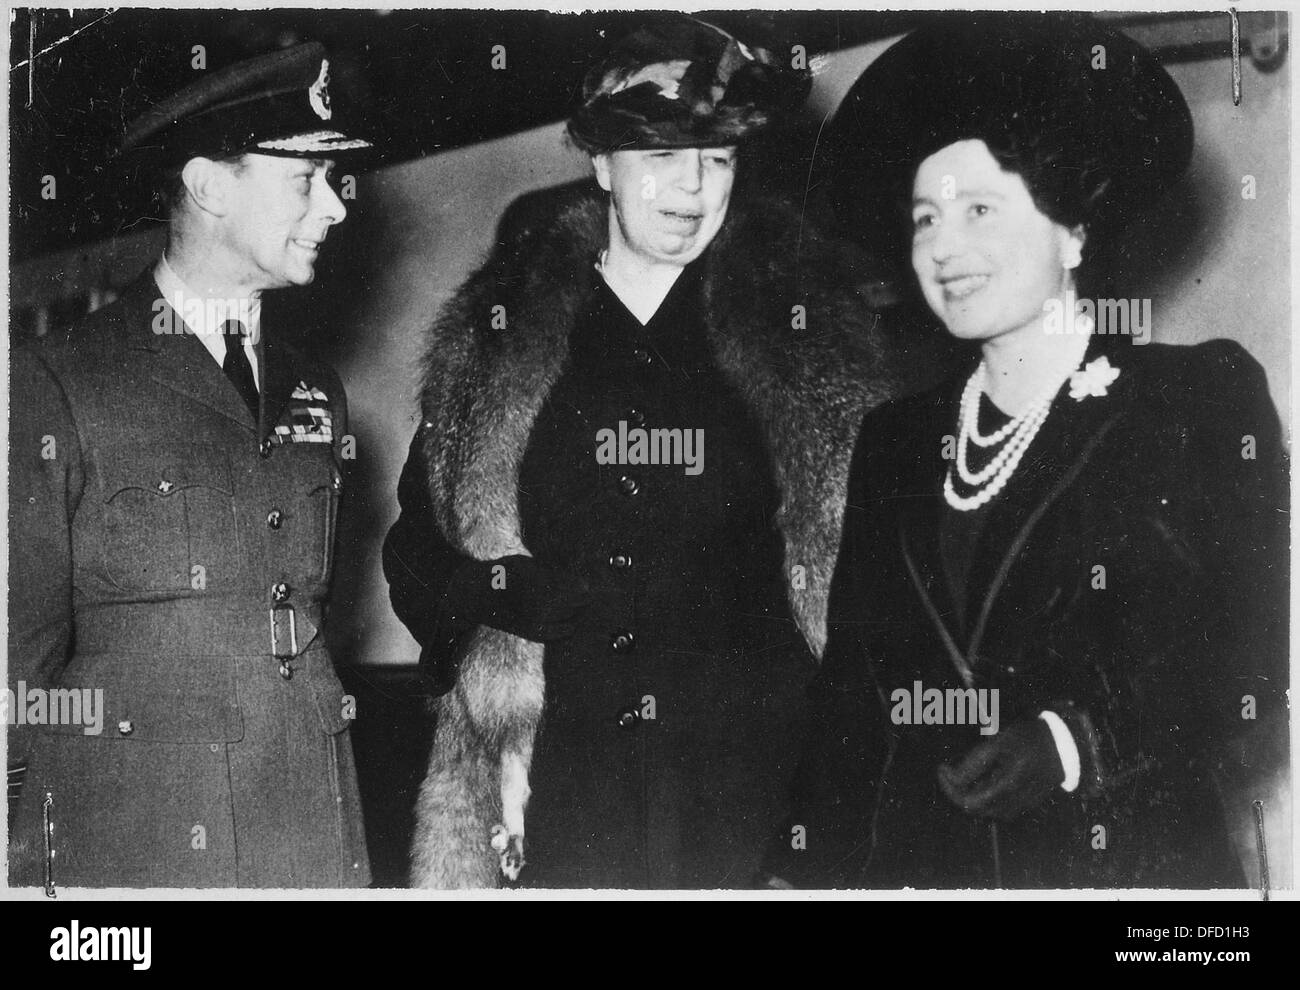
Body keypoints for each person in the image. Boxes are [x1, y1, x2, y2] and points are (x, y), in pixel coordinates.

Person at [384, 17, 940, 888]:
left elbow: (878, 582)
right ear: (600, 162)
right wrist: (496, 590)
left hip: (755, 783)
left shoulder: (806, 337)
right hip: (558, 781)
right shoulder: (496, 337)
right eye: (662, 158)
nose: (692, 187)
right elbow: (416, 549)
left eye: (716, 159)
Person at [763, 13, 1289, 889]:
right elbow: (852, 700)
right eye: (925, 218)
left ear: (1073, 233)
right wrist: (797, 868)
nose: (944, 247)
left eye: (979, 210)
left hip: (1126, 868)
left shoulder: (1192, 400)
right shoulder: (894, 442)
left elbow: (1253, 649)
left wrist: (1073, 740)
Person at [7, 42, 375, 887]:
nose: (336, 208)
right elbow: (15, 665)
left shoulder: (318, 388)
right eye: (304, 179)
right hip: (147, 836)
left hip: (313, 823)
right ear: (209, 186)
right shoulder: (58, 380)